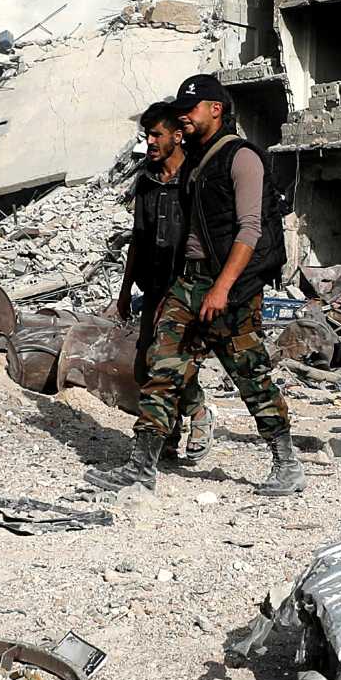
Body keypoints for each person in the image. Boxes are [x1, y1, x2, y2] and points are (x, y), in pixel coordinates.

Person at [91, 73, 304, 497]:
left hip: (230, 287)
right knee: (162, 369)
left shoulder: (242, 158)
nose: (183, 117)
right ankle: (141, 466)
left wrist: (222, 289)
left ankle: (286, 463)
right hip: (188, 282)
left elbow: (249, 230)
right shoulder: (193, 161)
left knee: (250, 375)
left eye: (190, 110)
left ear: (216, 109)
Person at [114, 99, 208, 464]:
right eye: (147, 135)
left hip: (185, 286)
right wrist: (125, 291)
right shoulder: (147, 181)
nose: (150, 142)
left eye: (156, 134)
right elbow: (138, 239)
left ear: (178, 136)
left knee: (166, 360)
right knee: (145, 366)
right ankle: (170, 431)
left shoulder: (196, 178)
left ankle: (198, 413)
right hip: (152, 285)